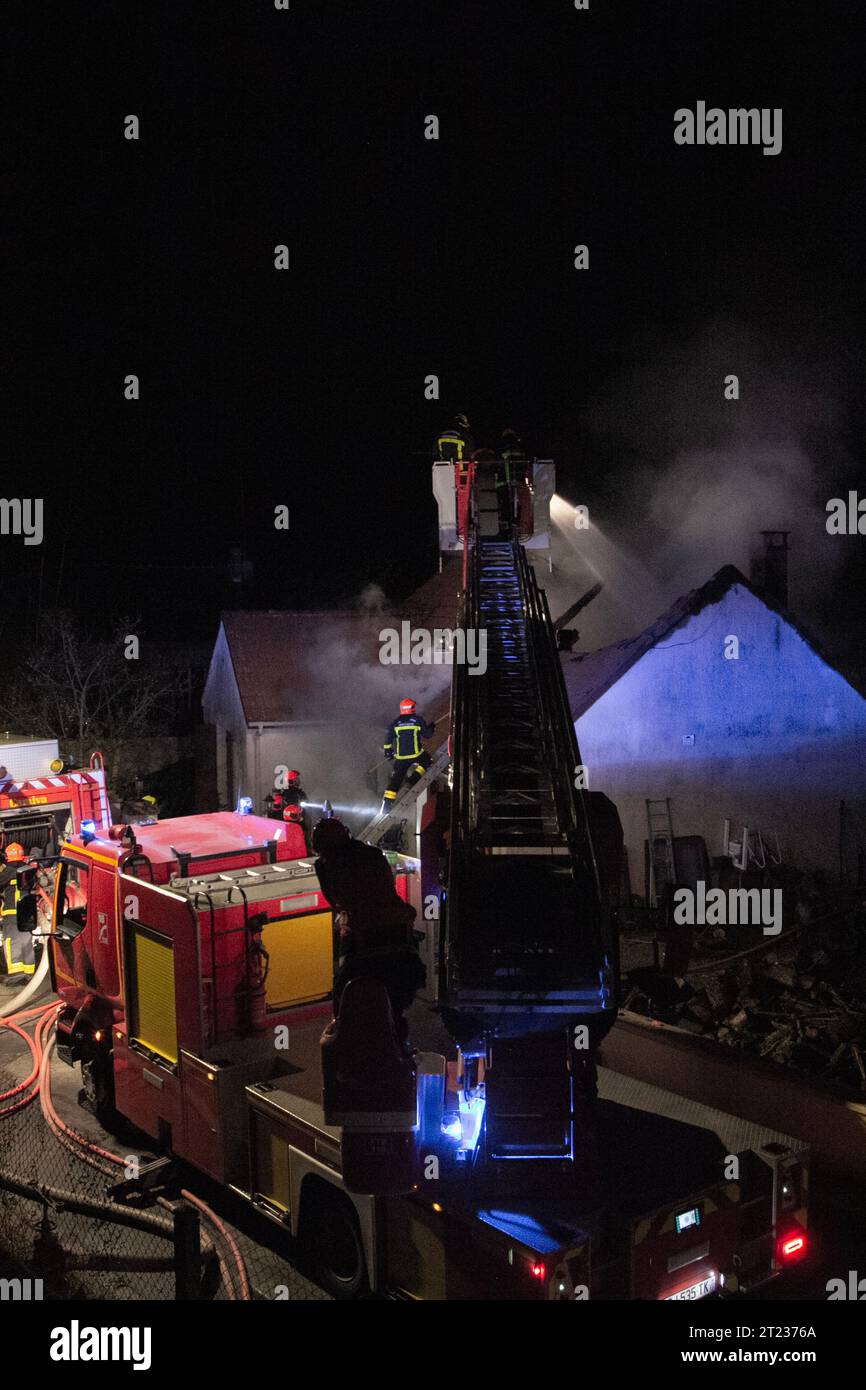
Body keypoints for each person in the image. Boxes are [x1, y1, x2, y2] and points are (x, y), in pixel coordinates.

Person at [312, 817, 425, 1042]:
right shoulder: (371, 855)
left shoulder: (329, 866)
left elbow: (337, 899)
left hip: (364, 938)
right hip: (398, 934)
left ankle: (342, 1029)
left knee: (342, 992)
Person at [382, 698, 434, 811]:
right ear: (411, 708)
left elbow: (388, 739)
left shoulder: (396, 722)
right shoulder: (417, 720)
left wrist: (388, 752)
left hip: (401, 758)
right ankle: (414, 778)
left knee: (396, 780)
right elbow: (428, 735)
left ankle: (386, 804)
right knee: (427, 760)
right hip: (416, 754)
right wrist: (432, 727)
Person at [0, 844, 35, 982]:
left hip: (12, 912)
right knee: (26, 940)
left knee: (11, 940)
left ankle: (15, 973)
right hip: (27, 911)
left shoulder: (6, 872)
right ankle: (29, 971)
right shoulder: (29, 869)